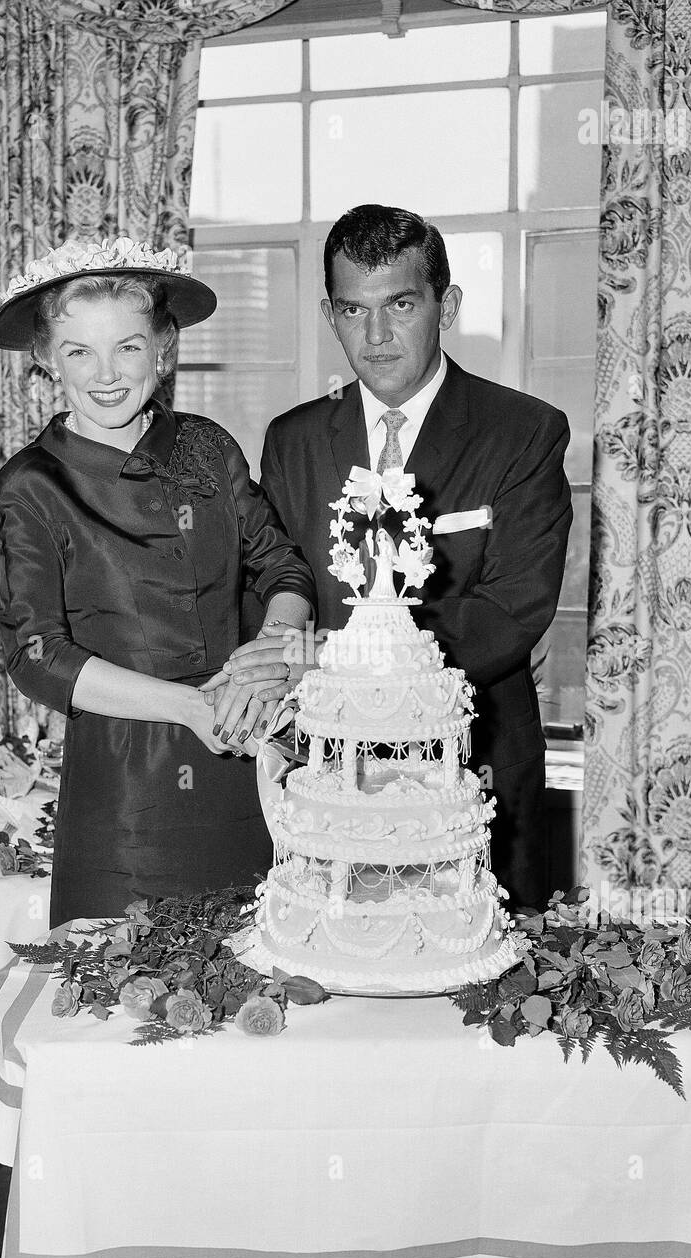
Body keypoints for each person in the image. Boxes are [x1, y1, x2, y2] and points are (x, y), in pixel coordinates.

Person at [213, 206, 571, 910]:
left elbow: (510, 611)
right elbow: (280, 581)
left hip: (473, 772)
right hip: (329, 777)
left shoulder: (523, 432)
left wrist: (330, 655)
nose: (375, 336)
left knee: (473, 988)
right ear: (329, 314)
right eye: (353, 310)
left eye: (400, 304)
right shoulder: (294, 438)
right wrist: (265, 660)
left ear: (446, 304)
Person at [0, 238, 314, 926]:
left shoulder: (207, 445)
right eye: (79, 352)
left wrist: (273, 650)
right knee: (127, 994)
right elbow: (36, 653)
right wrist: (190, 707)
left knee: (253, 983)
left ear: (163, 349)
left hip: (244, 754)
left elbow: (280, 562)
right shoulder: (32, 485)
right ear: (46, 359)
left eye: (128, 347)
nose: (106, 374)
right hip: (125, 779)